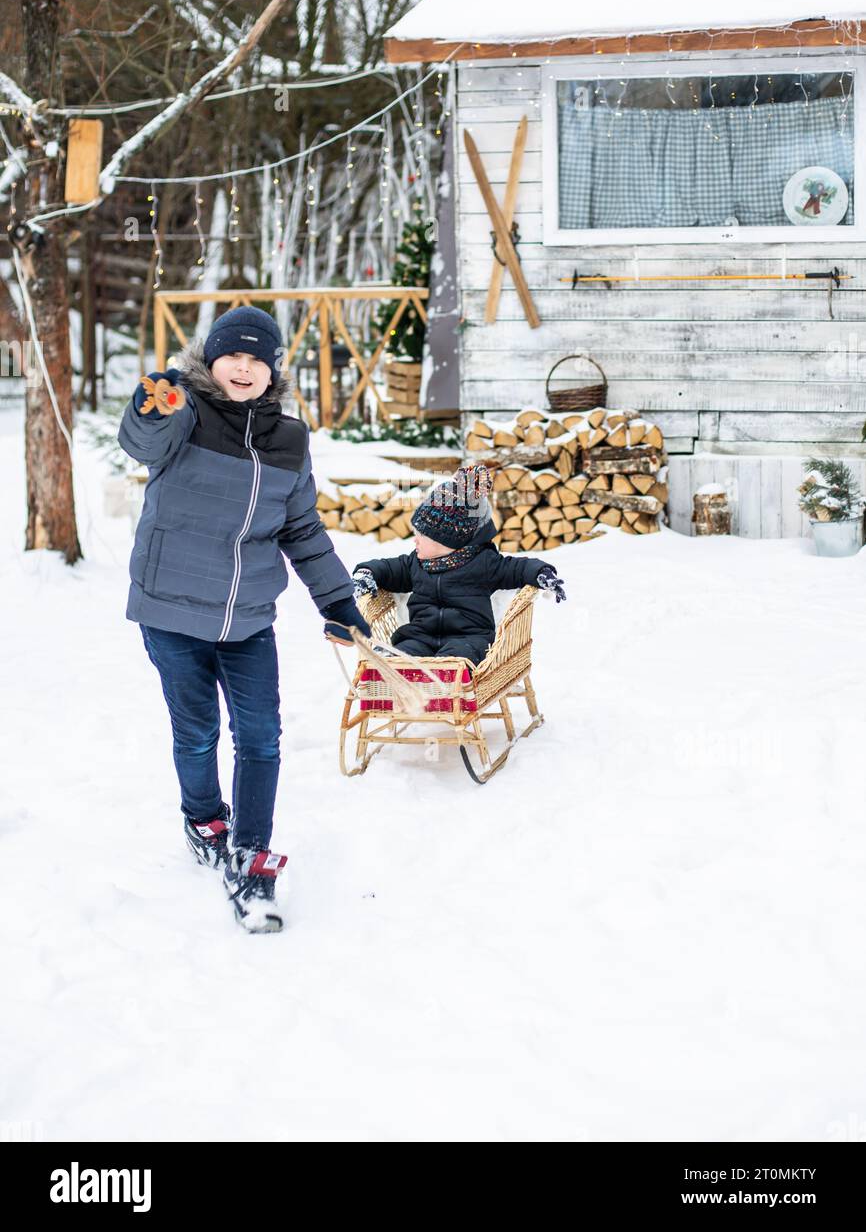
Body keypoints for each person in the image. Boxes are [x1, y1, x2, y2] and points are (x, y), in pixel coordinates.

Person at [117, 305, 370, 933]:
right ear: (212, 358)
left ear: (273, 369)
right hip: (172, 609)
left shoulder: (290, 439)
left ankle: (252, 853)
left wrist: (337, 601)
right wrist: (152, 407)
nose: (244, 366)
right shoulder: (186, 412)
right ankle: (205, 819)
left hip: (248, 616)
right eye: (233, 354)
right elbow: (141, 442)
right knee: (198, 729)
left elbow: (302, 527)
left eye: (258, 358)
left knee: (261, 738)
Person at [351, 464, 566, 665]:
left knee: (454, 662)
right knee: (402, 655)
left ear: (448, 541)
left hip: (469, 639)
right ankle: (396, 678)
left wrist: (542, 573)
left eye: (422, 536)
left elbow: (517, 568)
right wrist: (366, 572)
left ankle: (446, 693)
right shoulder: (415, 562)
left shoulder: (484, 563)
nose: (415, 540)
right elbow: (387, 569)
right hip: (420, 636)